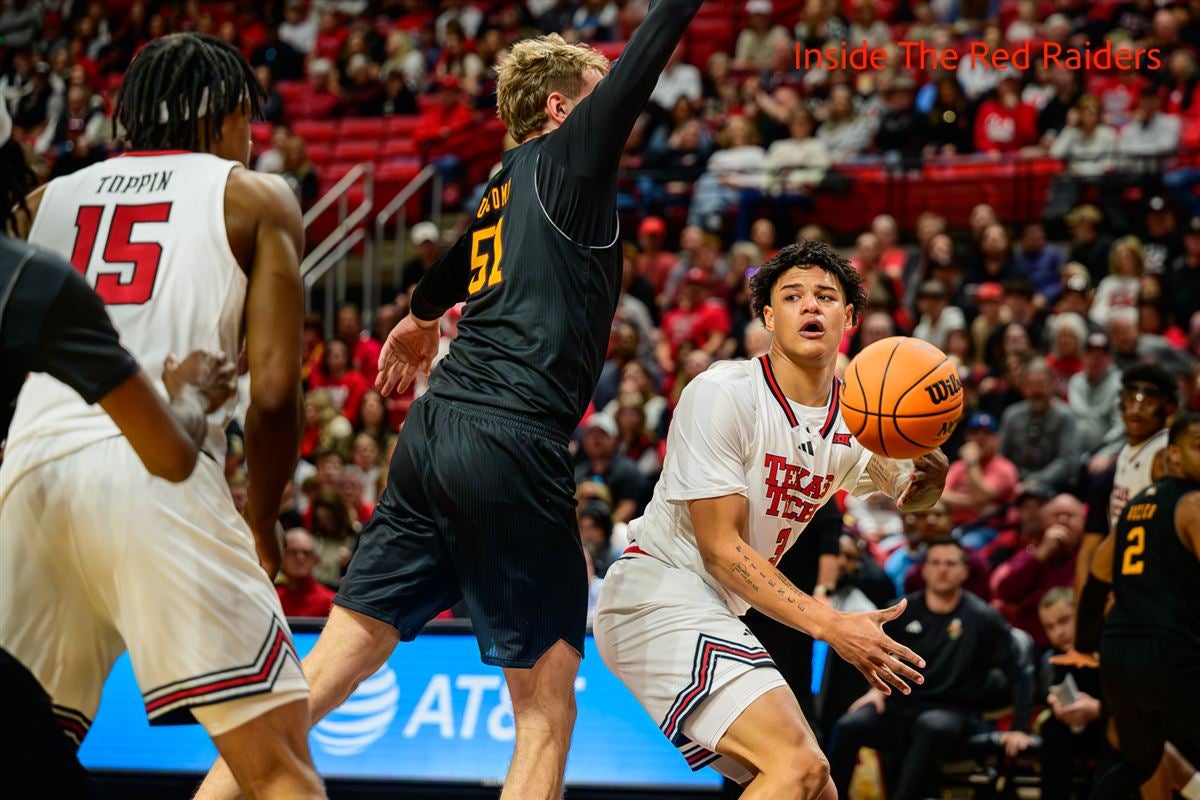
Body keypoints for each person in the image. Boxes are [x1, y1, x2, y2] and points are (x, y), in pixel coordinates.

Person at [199, 4, 707, 799]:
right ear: (561, 108)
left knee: (335, 662)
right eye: (596, 92)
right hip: (509, 437)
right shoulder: (573, 156)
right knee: (545, 705)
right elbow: (650, 53)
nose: (613, 105)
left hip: (433, 436)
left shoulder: (508, 181)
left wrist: (418, 318)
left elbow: (451, 263)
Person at [0, 34, 322, 799]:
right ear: (227, 114)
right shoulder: (255, 195)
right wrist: (263, 520)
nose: (252, 139)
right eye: (249, 120)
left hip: (28, 476)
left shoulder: (41, 202)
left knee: (19, 749)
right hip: (156, 461)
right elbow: (274, 395)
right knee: (277, 762)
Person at [594, 241, 948, 796]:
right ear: (767, 316)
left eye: (826, 297)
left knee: (815, 786)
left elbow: (912, 494)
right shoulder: (721, 393)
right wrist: (831, 625)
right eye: (793, 296)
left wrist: (931, 475)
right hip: (659, 593)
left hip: (715, 609)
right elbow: (721, 550)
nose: (811, 307)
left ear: (849, 317)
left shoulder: (856, 419)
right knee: (798, 767)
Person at [0, 94, 238, 798]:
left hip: (30, 502)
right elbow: (167, 454)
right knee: (278, 752)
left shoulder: (44, 224)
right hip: (125, 477)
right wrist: (192, 390)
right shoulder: (30, 278)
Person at [828, 539, 1033, 800]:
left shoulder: (983, 617)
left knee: (930, 724)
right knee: (850, 724)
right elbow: (875, 654)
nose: (942, 570)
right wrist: (875, 691)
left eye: (950, 563)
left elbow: (1021, 672)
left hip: (955, 714)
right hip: (903, 708)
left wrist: (1019, 728)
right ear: (923, 570)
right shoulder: (902, 610)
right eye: (935, 563)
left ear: (964, 571)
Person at [1072, 412, 1200, 800]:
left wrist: (1082, 643)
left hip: (1118, 650)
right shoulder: (1193, 503)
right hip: (1169, 648)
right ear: (1174, 456)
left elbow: (1096, 578)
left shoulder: (1134, 509)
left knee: (1137, 762)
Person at [1074, 363, 1177, 596]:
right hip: (1126, 575)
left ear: (1169, 407)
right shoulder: (1124, 454)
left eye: (1148, 401)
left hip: (1158, 581)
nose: (1136, 409)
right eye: (1131, 398)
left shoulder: (1165, 453)